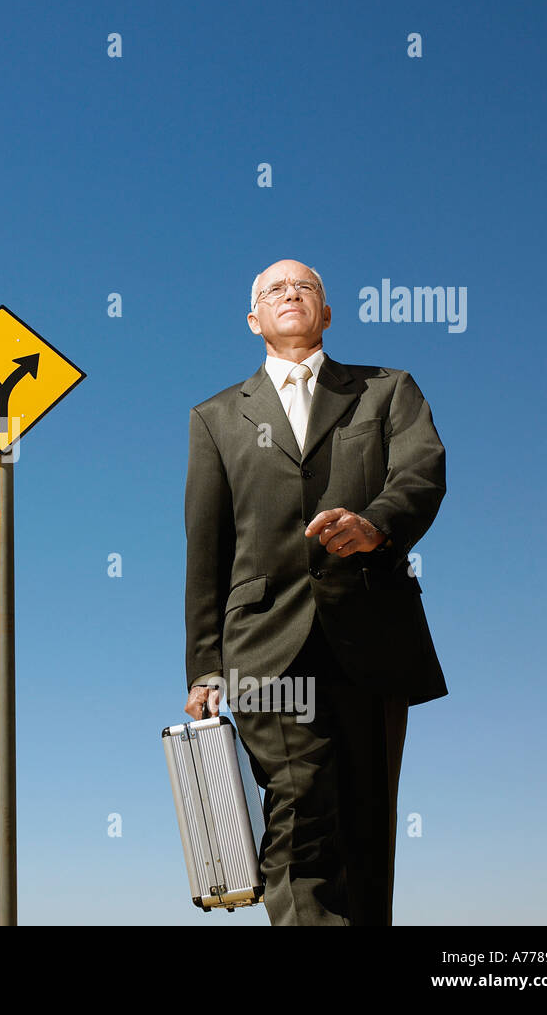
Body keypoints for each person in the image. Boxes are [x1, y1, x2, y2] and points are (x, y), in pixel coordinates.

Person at [182, 258, 447, 926]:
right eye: (274, 289)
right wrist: (205, 666)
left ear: (326, 313)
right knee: (300, 815)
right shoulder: (215, 417)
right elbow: (206, 548)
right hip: (264, 644)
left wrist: (375, 524)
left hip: (373, 635)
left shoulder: (388, 390)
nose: (290, 294)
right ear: (253, 320)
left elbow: (421, 472)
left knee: (366, 831)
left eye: (306, 288)